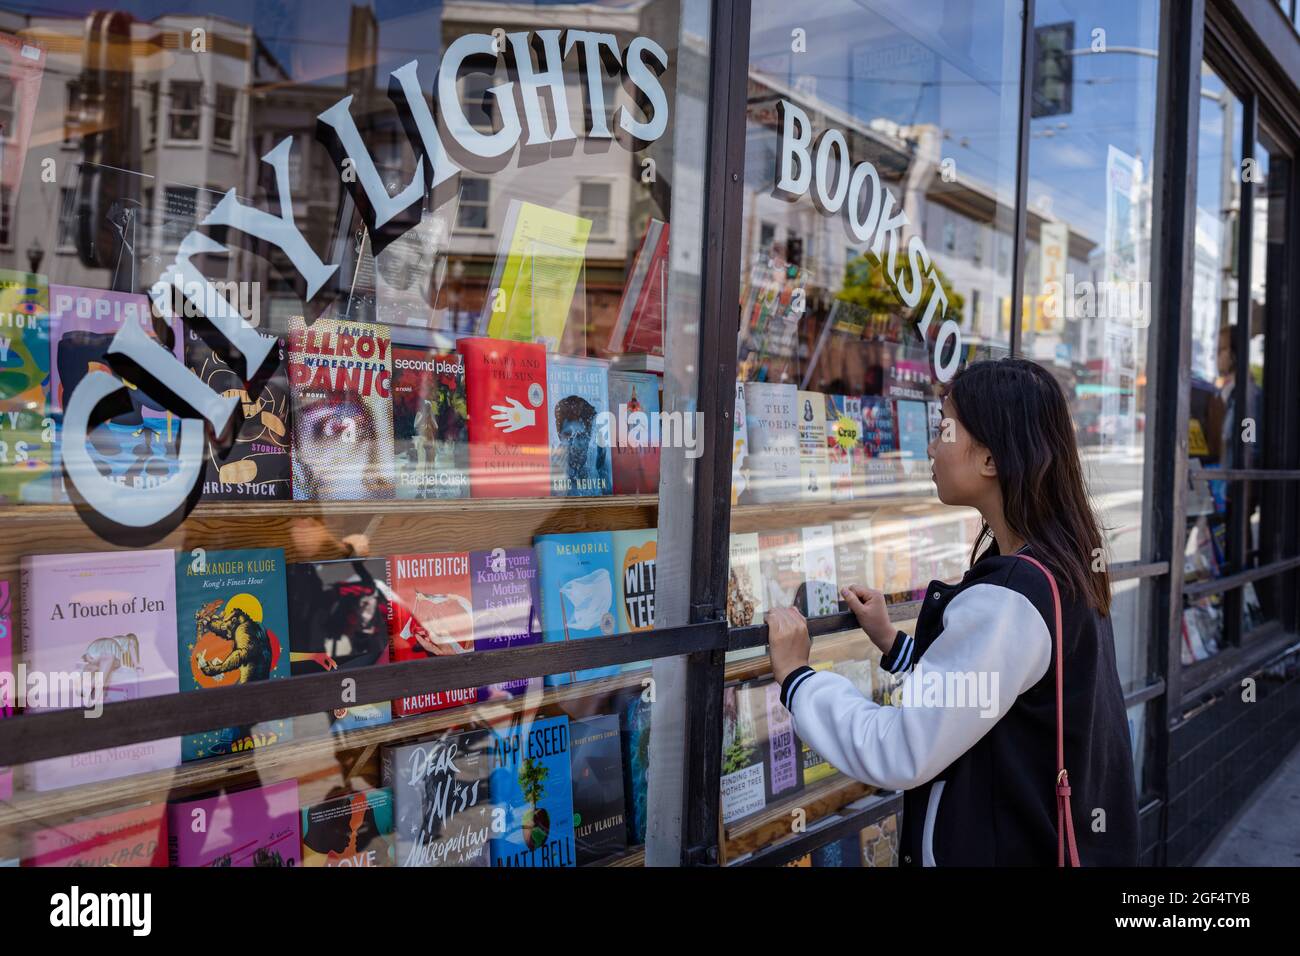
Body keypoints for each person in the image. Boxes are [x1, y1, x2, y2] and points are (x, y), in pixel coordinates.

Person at [767, 358, 1139, 866]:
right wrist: (897, 647)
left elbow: (900, 750)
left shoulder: (1014, 595)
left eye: (945, 428)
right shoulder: (1061, 565)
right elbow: (999, 693)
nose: (931, 446)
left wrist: (798, 678)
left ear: (990, 458)